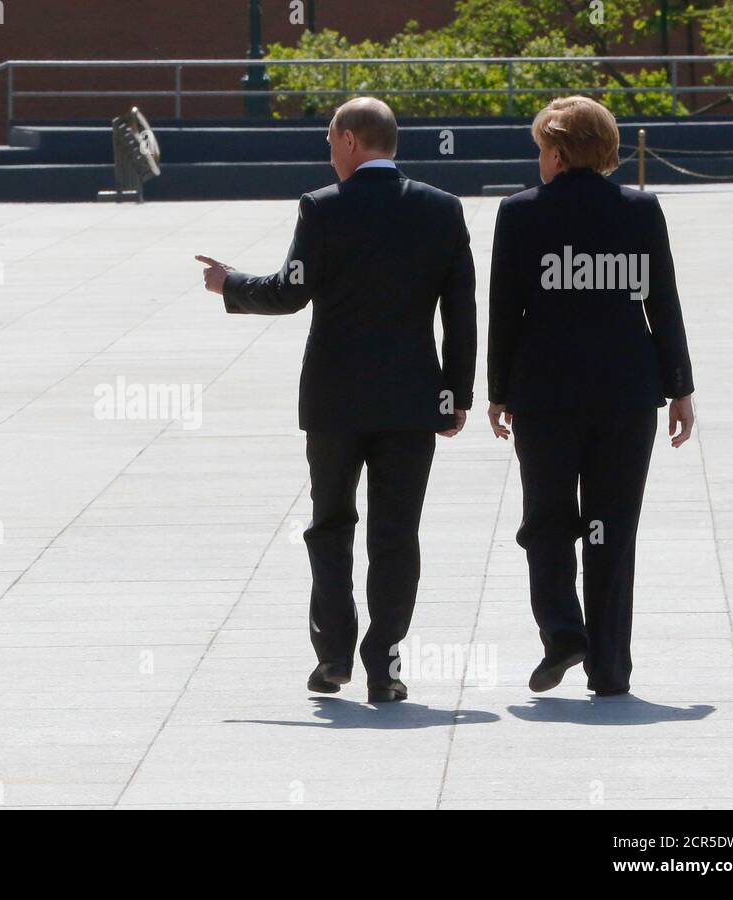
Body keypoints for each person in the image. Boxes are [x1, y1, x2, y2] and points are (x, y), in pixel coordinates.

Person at [196, 97, 476, 702]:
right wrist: (455, 395)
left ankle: (333, 659)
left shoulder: (322, 208)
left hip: (335, 401)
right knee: (397, 534)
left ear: (350, 140)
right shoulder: (442, 209)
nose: (328, 151)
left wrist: (231, 283)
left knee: (329, 527)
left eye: (330, 139)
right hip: (410, 401)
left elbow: (292, 292)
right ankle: (386, 664)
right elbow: (461, 311)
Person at [487, 95, 696, 697]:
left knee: (547, 522)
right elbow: (663, 301)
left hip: (546, 395)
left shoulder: (521, 213)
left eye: (540, 152)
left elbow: (505, 310)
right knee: (612, 528)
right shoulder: (641, 209)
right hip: (627, 395)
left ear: (555, 151)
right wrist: (679, 387)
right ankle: (610, 668)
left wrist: (498, 391)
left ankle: (561, 630)